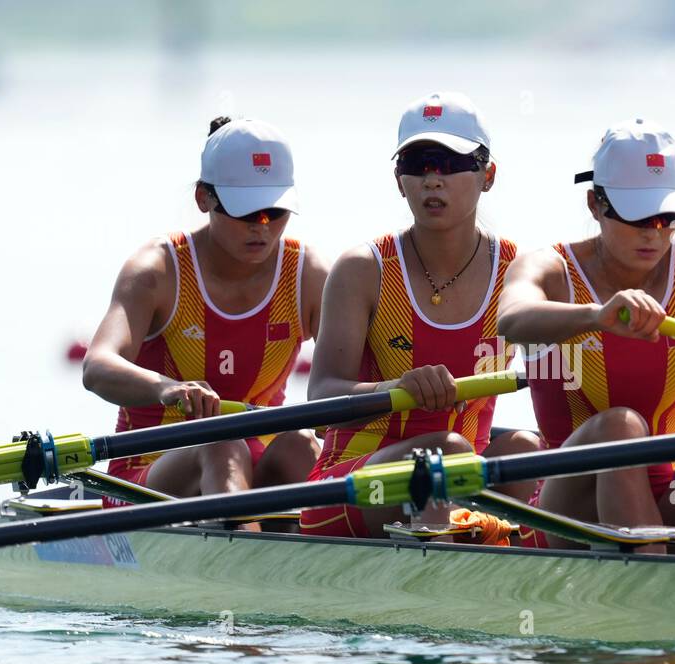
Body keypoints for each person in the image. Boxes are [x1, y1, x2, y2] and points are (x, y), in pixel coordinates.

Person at [300, 92, 539, 539]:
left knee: (529, 450)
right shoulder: (363, 270)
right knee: (448, 449)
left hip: (462, 474)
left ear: (488, 176)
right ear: (398, 179)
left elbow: (562, 384)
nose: (432, 179)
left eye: (449, 163)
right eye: (418, 163)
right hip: (350, 484)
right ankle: (448, 568)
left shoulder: (519, 273)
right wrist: (396, 389)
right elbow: (321, 403)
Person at [499, 119, 675, 549]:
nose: (653, 232)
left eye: (667, 217)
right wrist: (595, 316)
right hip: (565, 502)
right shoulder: (551, 269)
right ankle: (655, 580)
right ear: (594, 204)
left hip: (670, 495)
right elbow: (510, 321)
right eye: (636, 215)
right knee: (620, 425)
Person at [83, 117, 327, 500]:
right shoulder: (157, 270)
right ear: (203, 199)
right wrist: (166, 388)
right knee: (221, 442)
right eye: (246, 212)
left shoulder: (308, 275)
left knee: (300, 444)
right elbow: (96, 367)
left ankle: (297, 543)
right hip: (147, 479)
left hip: (255, 466)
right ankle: (244, 542)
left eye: (274, 212)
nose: (261, 227)